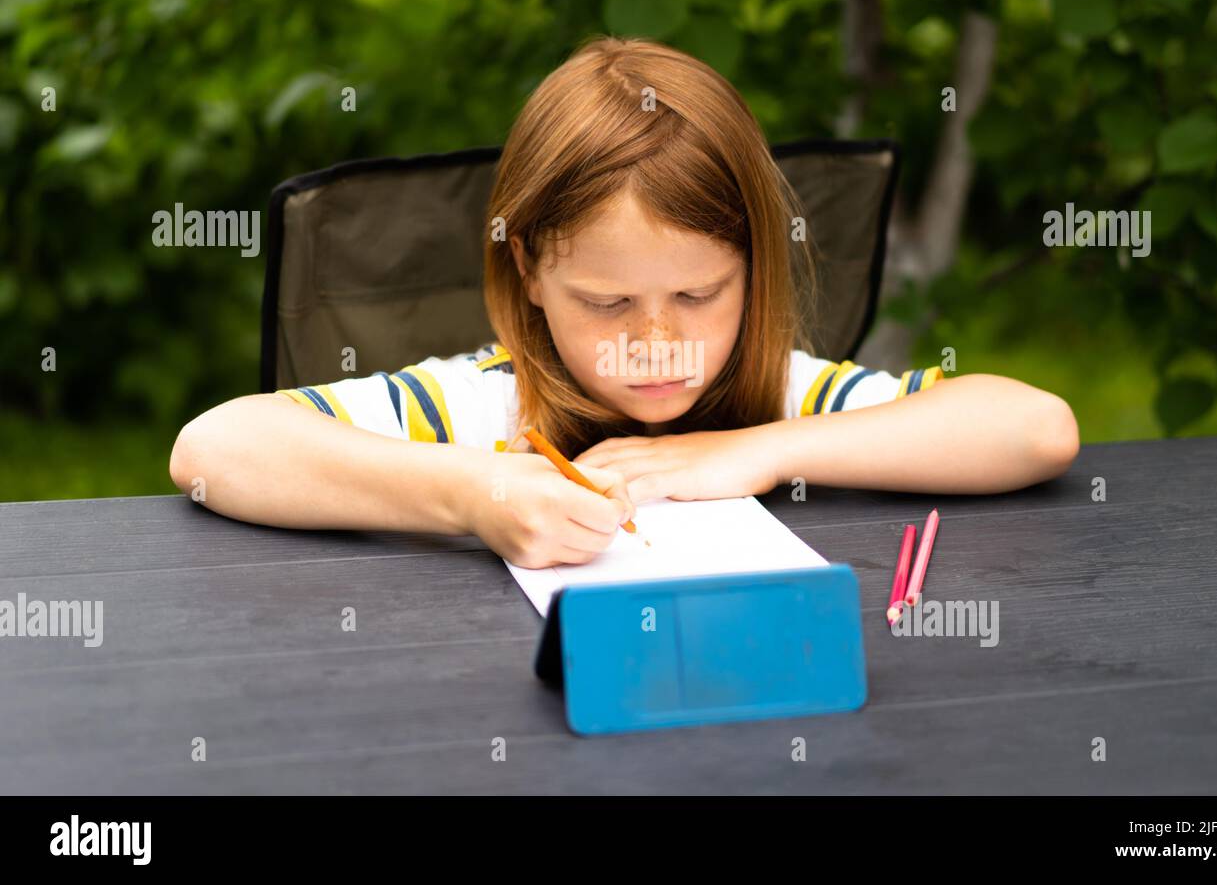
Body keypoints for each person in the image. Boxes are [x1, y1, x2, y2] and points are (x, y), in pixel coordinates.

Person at [170, 37, 1078, 568]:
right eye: (606, 302)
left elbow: (1035, 430)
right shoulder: (484, 405)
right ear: (525, 269)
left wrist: (754, 449)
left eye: (698, 292)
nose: (656, 342)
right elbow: (212, 448)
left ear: (756, 268)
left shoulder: (777, 394)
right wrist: (472, 494)